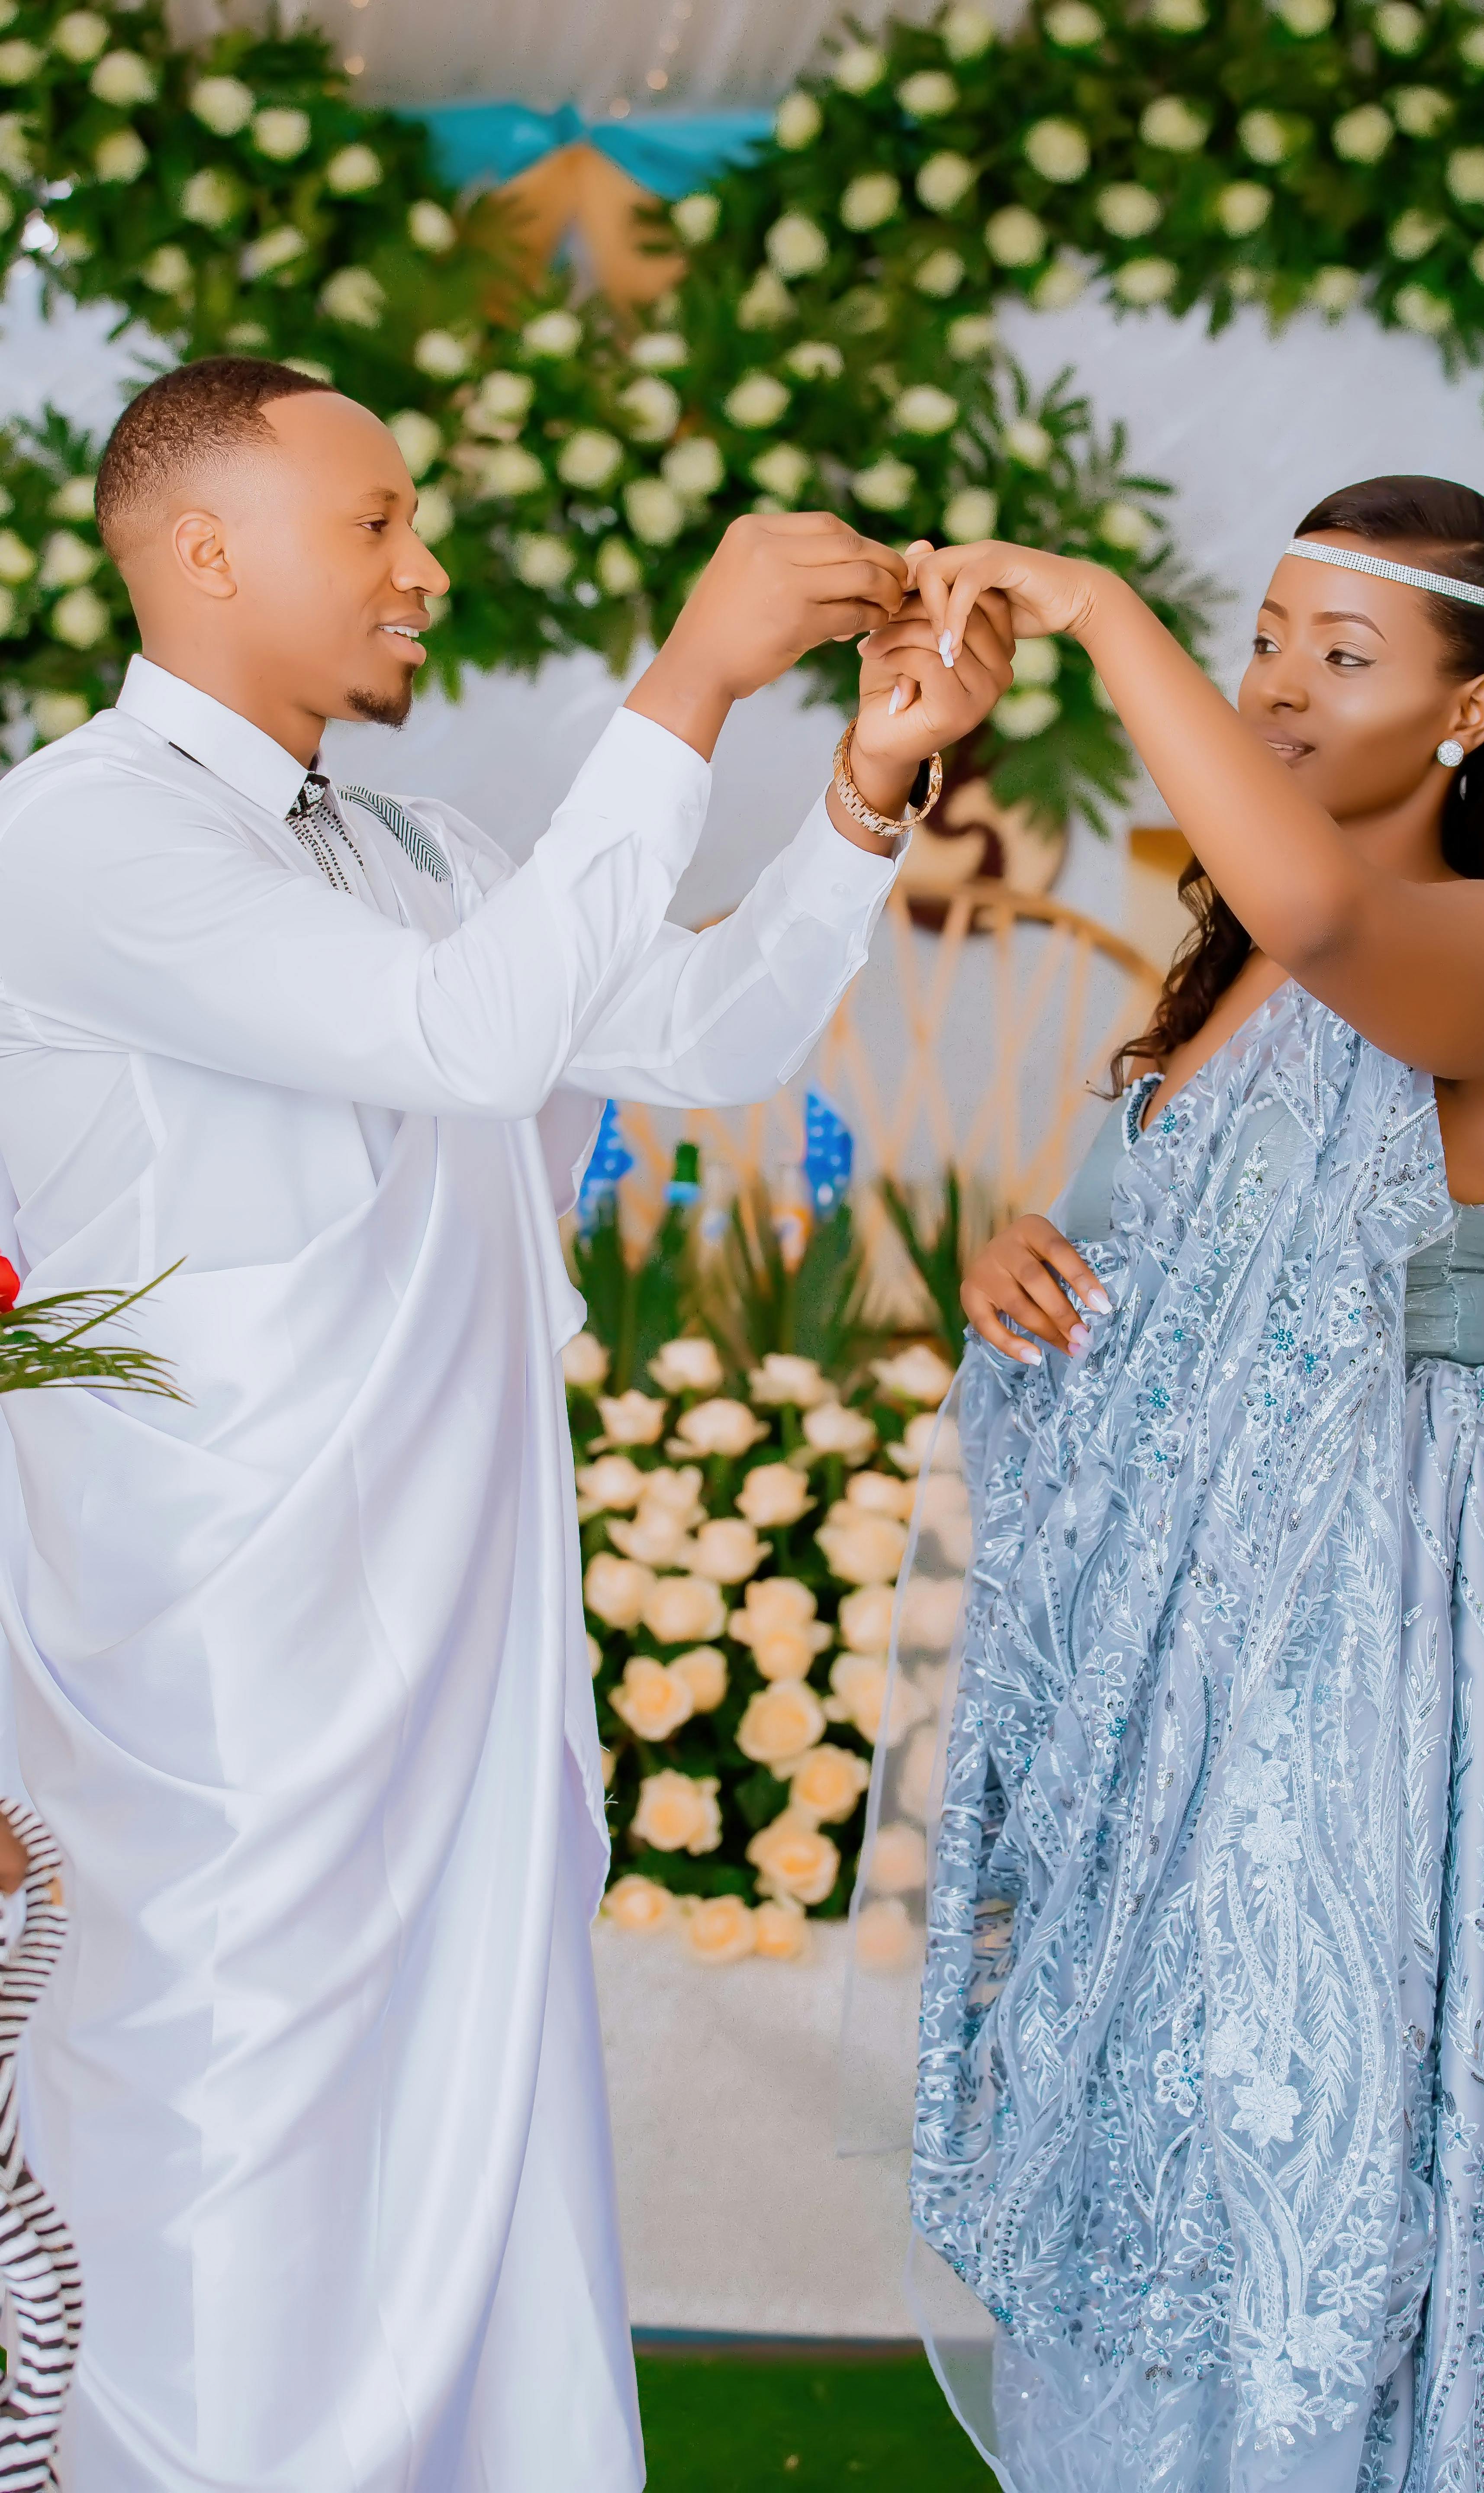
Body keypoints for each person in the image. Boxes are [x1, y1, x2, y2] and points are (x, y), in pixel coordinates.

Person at [0, 354, 1016, 2490]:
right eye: (373, 523)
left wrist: (858, 797)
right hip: (214, 1678)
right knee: (228, 2202)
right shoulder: (77, 837)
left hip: (447, 1629)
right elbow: (463, 1044)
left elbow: (709, 1036)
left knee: (471, 2176)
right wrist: (685, 682)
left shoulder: (414, 842)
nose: (425, 566)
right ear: (201, 552)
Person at [859, 479, 1484, 2490]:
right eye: (1269, 637)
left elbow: (1328, 912)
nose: (1284, 681)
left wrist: (1109, 619)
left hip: (1396, 1610)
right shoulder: (1209, 989)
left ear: (1470, 716)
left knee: (1333, 2104)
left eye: (1343, 652)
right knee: (1181, 2110)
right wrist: (1017, 1263)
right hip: (1190, 1614)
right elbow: (1171, 1266)